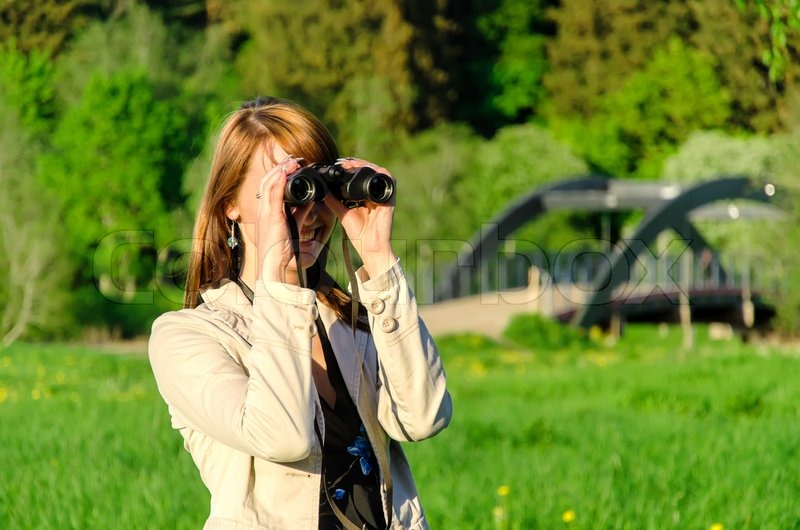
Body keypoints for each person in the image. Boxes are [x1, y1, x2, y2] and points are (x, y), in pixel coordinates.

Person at [148, 96, 452, 530]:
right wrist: (277, 273)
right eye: (291, 189)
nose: (309, 211)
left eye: (319, 187)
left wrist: (378, 259)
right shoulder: (188, 337)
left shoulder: (353, 322)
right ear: (229, 206)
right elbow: (282, 436)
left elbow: (423, 419)